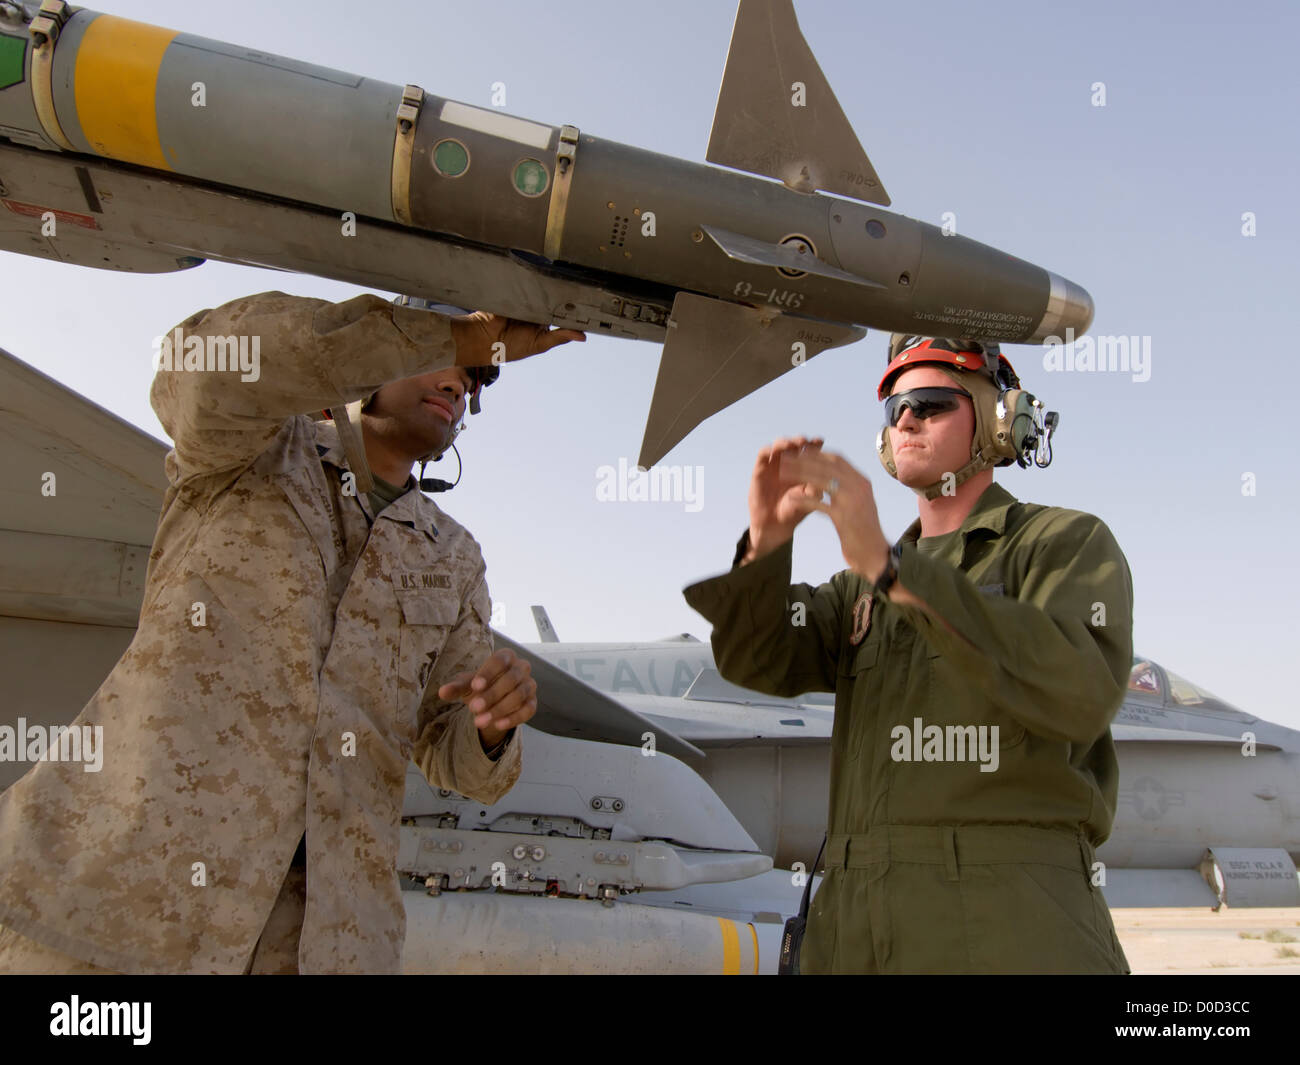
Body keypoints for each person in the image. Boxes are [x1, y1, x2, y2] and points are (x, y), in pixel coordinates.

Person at [0, 290, 584, 974]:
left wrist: (490, 729)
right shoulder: (248, 449)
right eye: (441, 360)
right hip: (119, 913)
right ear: (376, 363)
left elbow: (448, 755)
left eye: (477, 376)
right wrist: (443, 335)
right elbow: (199, 366)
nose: (459, 379)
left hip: (325, 945)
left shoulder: (451, 555)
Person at [683, 334, 1133, 974]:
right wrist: (765, 544)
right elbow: (756, 658)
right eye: (894, 407)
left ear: (999, 417)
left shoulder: (1060, 543)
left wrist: (897, 572)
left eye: (931, 402)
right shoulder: (858, 592)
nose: (907, 419)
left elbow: (1078, 692)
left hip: (1014, 931)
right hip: (852, 935)